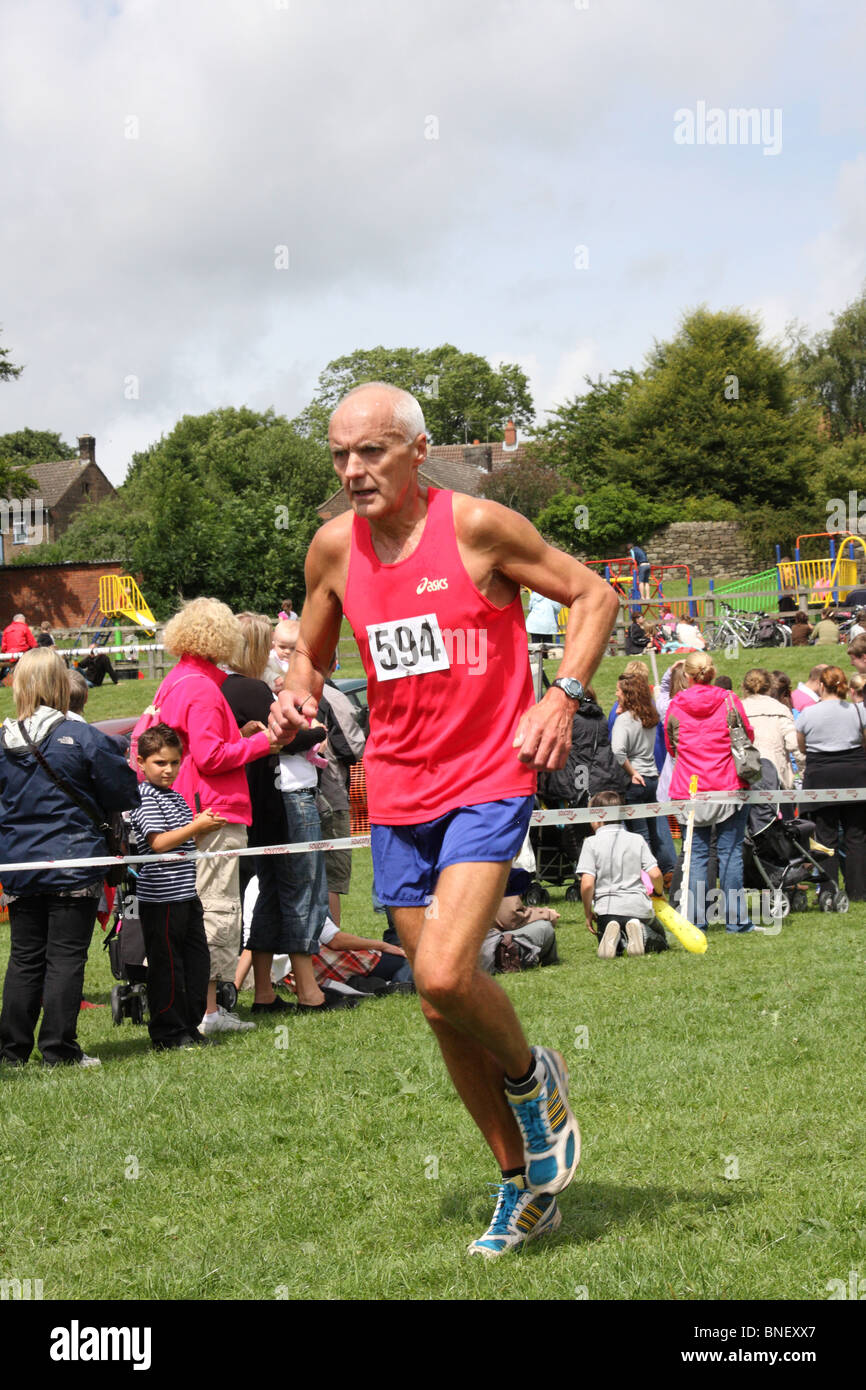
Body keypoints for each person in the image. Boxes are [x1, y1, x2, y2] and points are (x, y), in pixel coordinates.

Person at [270, 380, 618, 1258]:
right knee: (436, 1008)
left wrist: (563, 697)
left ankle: (535, 1080)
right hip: (396, 791)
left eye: (372, 451)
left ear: (417, 452)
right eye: (340, 455)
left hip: (488, 777)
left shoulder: (478, 526)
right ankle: (521, 1186)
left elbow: (594, 596)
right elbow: (308, 659)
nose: (353, 471)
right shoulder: (332, 552)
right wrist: (291, 699)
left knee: (441, 975)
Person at [0, 649, 139, 1067]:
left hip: (20, 865)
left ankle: (11, 1052)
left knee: (24, 958)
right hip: (73, 861)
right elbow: (123, 793)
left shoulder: (2, 741)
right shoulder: (81, 738)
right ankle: (59, 1051)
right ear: (60, 684)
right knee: (64, 957)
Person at [152, 597, 283, 1036]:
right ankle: (209, 1011)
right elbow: (210, 757)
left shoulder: (175, 680)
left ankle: (202, 1008)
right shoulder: (202, 688)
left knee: (196, 908)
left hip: (187, 805)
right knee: (216, 907)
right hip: (214, 810)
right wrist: (263, 744)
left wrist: (238, 734)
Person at [223, 613, 344, 1012]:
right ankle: (309, 991)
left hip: (265, 801)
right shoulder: (250, 688)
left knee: (272, 896)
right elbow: (288, 737)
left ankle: (264, 991)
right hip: (288, 796)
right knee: (302, 892)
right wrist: (317, 732)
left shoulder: (228, 688)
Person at [130, 725, 223, 1049]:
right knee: (167, 969)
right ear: (141, 762)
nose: (168, 770)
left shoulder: (176, 797)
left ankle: (189, 1026)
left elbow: (184, 843)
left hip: (186, 895)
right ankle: (168, 1033)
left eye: (174, 762)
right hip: (161, 901)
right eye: (160, 763)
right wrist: (196, 825)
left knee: (196, 965)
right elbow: (158, 843)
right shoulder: (143, 797)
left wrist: (203, 827)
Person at [665, 650, 756, 933]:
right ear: (712, 672)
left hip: (690, 788)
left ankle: (695, 919)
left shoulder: (676, 704)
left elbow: (671, 746)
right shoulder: (729, 700)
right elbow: (747, 735)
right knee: (730, 852)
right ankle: (736, 921)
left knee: (696, 855)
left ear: (688, 676)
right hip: (728, 786)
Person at [796, 666, 866, 901]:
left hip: (821, 777)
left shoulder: (808, 713)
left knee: (826, 838)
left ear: (822, 686)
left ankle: (828, 891)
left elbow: (802, 747)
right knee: (856, 836)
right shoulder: (857, 711)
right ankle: (858, 891)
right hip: (855, 777)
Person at [577, 790, 667, 958]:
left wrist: (588, 911)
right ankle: (641, 933)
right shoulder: (637, 839)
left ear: (597, 818)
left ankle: (617, 940)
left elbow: (587, 883)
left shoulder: (590, 843)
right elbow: (655, 874)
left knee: (610, 933)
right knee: (662, 938)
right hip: (637, 906)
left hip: (607, 910)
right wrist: (659, 893)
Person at [611, 673, 677, 876]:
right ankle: (664, 874)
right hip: (651, 778)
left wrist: (631, 771)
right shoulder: (649, 717)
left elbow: (618, 750)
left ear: (627, 694)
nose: (615, 693)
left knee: (639, 835)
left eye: (618, 690)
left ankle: (648, 879)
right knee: (653, 832)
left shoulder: (624, 720)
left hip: (635, 781)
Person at [0, 612, 37, 682]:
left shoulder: (7, 629)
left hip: (9, 656)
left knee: (5, 665)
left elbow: (4, 646)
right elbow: (33, 644)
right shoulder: (25, 628)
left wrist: (5, 655)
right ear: (22, 620)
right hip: (22, 655)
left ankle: (1, 678)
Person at [525, 589, 562, 655]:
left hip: (534, 624)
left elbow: (530, 607)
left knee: (535, 644)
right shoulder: (552, 596)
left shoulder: (534, 595)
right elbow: (557, 608)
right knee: (548, 644)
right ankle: (546, 656)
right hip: (548, 624)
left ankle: (536, 657)